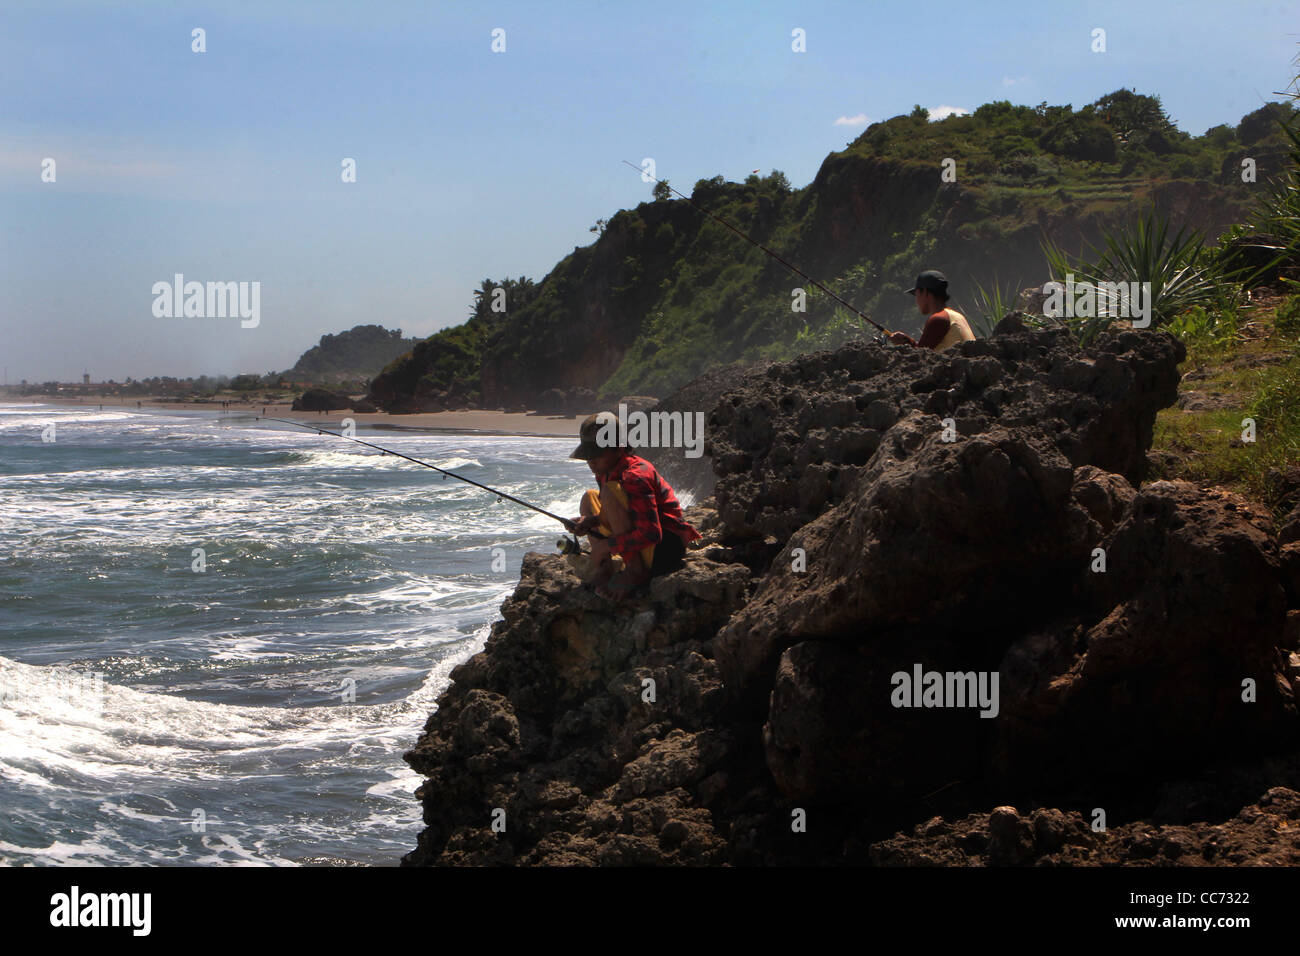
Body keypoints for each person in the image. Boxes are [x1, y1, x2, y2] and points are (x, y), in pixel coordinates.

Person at [564, 411, 701, 600]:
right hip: (643, 540)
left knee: (609, 492)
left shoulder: (636, 476)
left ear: (619, 449)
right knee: (590, 497)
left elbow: (652, 533)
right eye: (589, 456)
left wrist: (606, 546)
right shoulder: (604, 471)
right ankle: (605, 568)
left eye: (597, 454)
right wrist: (591, 522)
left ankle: (635, 571)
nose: (592, 462)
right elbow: (620, 513)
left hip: (665, 547)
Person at [888, 270, 975, 351]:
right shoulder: (958, 316)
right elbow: (923, 351)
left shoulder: (938, 319)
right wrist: (909, 342)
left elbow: (920, 357)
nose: (916, 301)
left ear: (925, 292)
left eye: (916, 295)